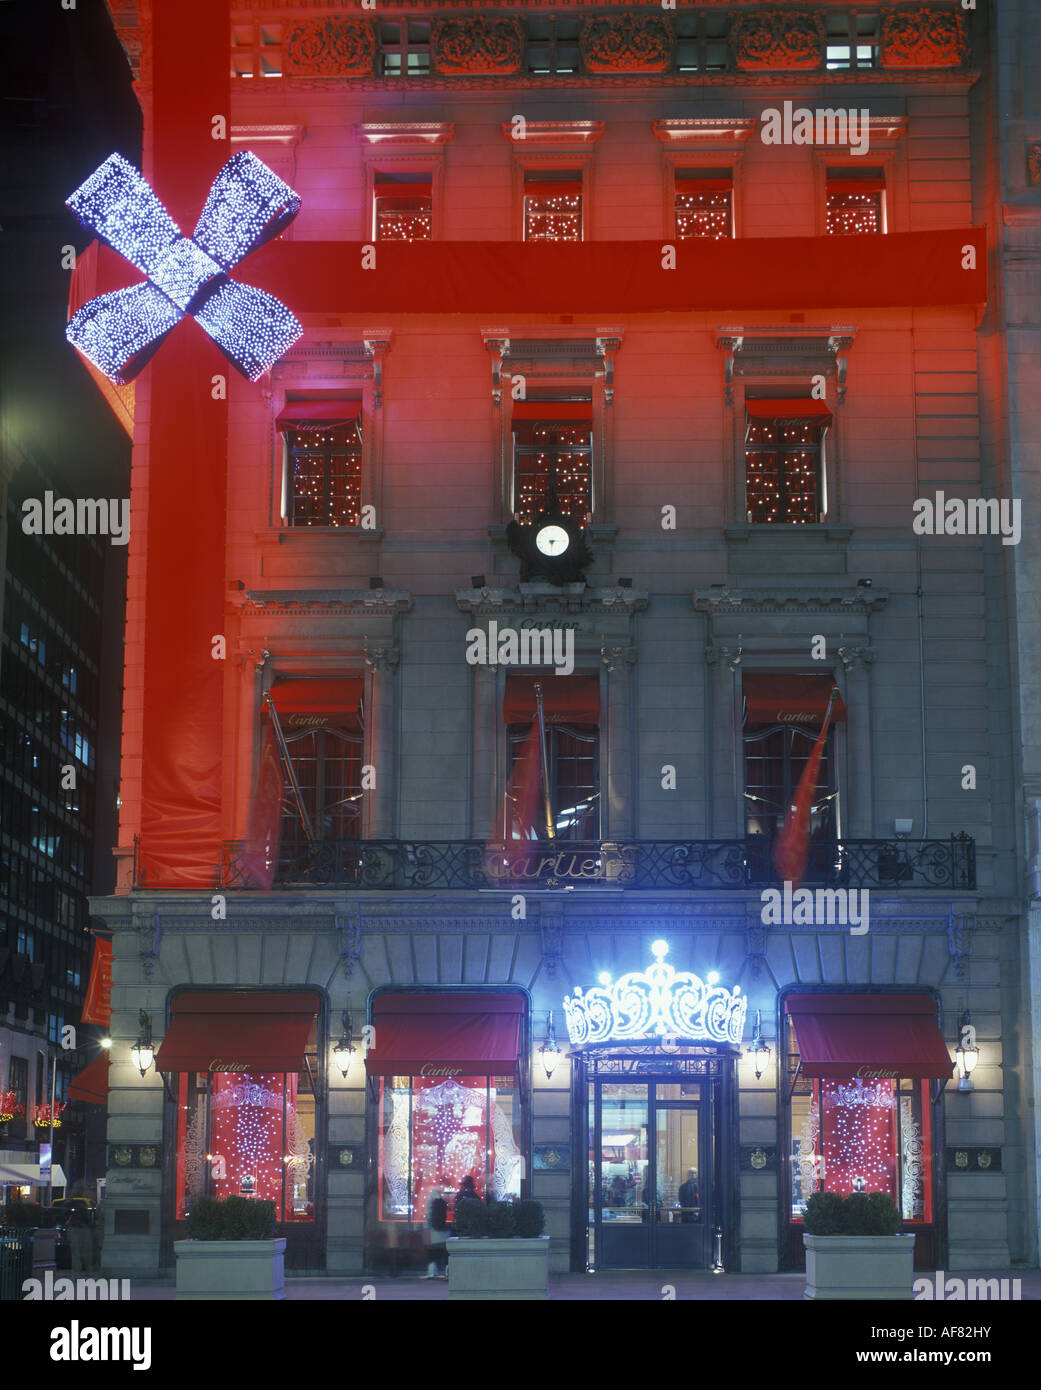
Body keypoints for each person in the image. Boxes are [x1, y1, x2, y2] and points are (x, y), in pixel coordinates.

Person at [424, 1186, 449, 1279]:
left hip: (434, 1231)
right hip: (440, 1231)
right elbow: (441, 1218)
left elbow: (429, 1216)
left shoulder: (430, 1202)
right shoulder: (440, 1202)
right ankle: (444, 1270)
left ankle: (432, 1271)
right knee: (444, 1251)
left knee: (434, 1252)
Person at [64, 1203, 93, 1274]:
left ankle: (77, 1271)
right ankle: (87, 1270)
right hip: (82, 1231)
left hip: (76, 1231)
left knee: (76, 1254)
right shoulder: (85, 1218)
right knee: (86, 1253)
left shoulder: (73, 1218)